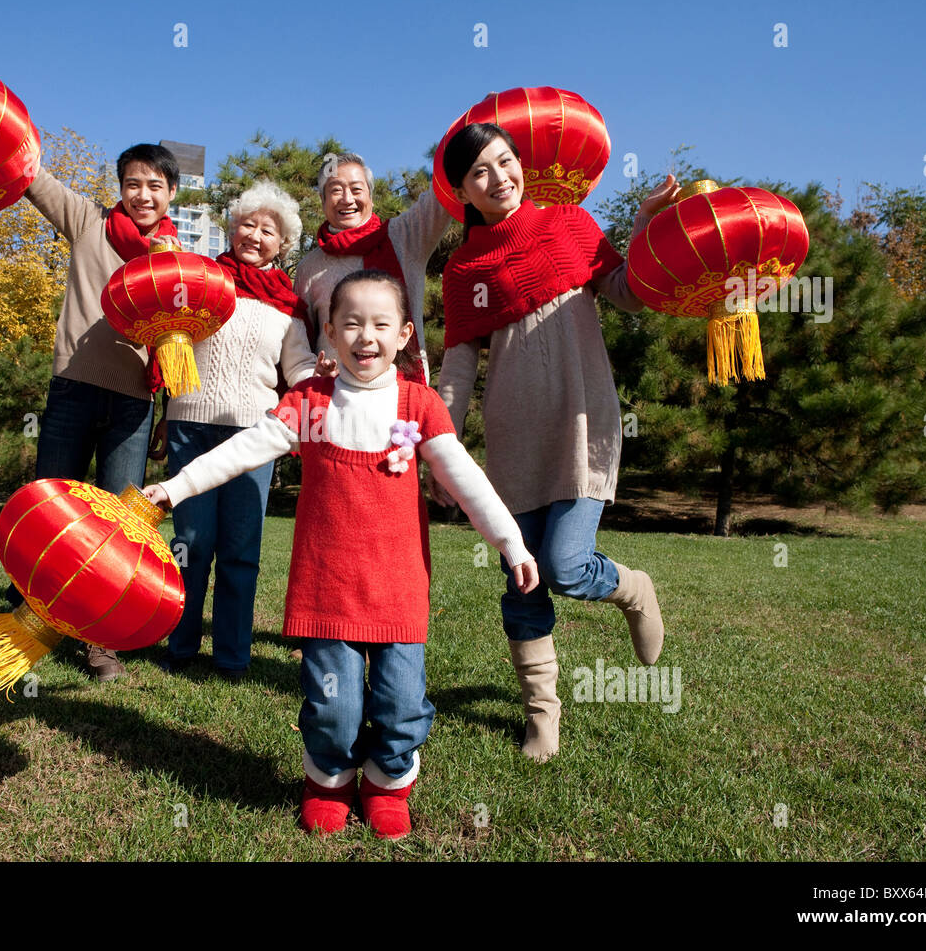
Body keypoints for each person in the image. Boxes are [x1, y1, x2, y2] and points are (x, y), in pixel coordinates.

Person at [143, 269, 537, 839]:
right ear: (329, 332)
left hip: (398, 591)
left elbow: (465, 479)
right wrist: (176, 487)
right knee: (334, 706)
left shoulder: (419, 405)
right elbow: (247, 447)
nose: (365, 336)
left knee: (401, 704)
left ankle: (386, 781)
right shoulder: (310, 402)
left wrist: (510, 541)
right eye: (350, 323)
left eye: (380, 323)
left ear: (404, 335)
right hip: (327, 587)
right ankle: (328, 778)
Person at [434, 122, 678, 762]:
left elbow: (626, 295)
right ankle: (542, 716)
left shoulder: (570, 224)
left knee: (568, 567)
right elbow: (459, 365)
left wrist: (648, 230)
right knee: (524, 580)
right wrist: (444, 443)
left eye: (506, 161)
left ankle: (632, 587)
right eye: (480, 172)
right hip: (515, 435)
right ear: (463, 189)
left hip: (582, 422)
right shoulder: (463, 269)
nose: (499, 178)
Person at [8, 142, 181, 682]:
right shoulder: (88, 221)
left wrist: (168, 412)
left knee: (117, 521)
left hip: (135, 400)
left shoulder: (175, 260)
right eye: (134, 183)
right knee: (49, 506)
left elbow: (183, 343)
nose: (143, 194)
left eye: (155, 185)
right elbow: (33, 177)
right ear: (120, 187)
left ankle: (98, 638)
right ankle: (30, 618)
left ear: (171, 193)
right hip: (74, 388)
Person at [154, 181, 323, 680]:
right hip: (191, 426)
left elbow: (299, 368)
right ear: (232, 228)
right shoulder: (201, 280)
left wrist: (323, 379)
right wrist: (166, 406)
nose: (255, 234)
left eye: (267, 230)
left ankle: (231, 657)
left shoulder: (289, 307)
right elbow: (170, 340)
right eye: (248, 224)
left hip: (255, 437)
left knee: (240, 551)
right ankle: (179, 647)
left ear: (282, 244)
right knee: (190, 544)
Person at [293, 153, 452, 381]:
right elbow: (300, 345)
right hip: (336, 398)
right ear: (323, 201)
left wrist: (466, 139)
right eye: (336, 190)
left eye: (356, 190)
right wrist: (312, 375)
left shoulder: (405, 238)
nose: (347, 199)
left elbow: (440, 197)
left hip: (402, 393)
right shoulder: (309, 267)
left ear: (371, 197)